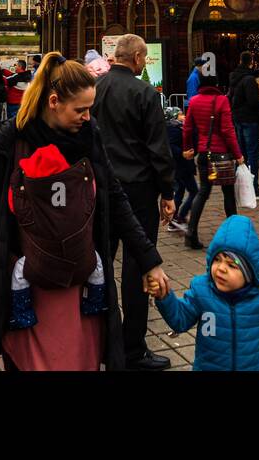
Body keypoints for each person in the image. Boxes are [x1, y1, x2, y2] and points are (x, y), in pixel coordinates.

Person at [0, 52, 168, 371]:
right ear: (53, 102)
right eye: (81, 109)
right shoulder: (9, 140)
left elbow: (115, 199)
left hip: (80, 288)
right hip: (28, 290)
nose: (87, 117)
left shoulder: (90, 136)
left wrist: (149, 260)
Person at [92, 33, 176, 370]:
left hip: (101, 186)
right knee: (138, 264)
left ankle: (97, 338)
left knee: (100, 263)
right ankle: (132, 348)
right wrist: (167, 192)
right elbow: (158, 148)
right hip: (138, 188)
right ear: (139, 58)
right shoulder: (144, 93)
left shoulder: (95, 89)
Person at [152, 214, 259, 371]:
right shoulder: (202, 291)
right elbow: (180, 320)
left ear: (249, 274)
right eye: (217, 259)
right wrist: (164, 296)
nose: (221, 268)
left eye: (232, 265)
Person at [182, 74, 243, 250]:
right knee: (228, 193)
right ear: (216, 84)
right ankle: (233, 235)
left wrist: (188, 147)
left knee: (203, 192)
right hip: (222, 154)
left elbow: (187, 128)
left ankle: (191, 232)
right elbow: (227, 130)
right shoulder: (222, 100)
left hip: (203, 153)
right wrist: (238, 154)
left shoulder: (194, 101)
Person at [227, 51, 259, 200]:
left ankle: (240, 185)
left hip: (237, 118)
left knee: (241, 154)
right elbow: (253, 101)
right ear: (251, 62)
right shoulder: (249, 79)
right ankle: (253, 187)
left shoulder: (235, 78)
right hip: (249, 119)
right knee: (252, 154)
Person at [164, 108, 196, 233]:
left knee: (180, 191)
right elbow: (171, 147)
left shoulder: (179, 128)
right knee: (194, 191)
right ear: (173, 117)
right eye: (180, 114)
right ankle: (179, 217)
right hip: (181, 167)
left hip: (181, 167)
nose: (183, 116)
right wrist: (182, 154)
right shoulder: (173, 129)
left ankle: (174, 219)